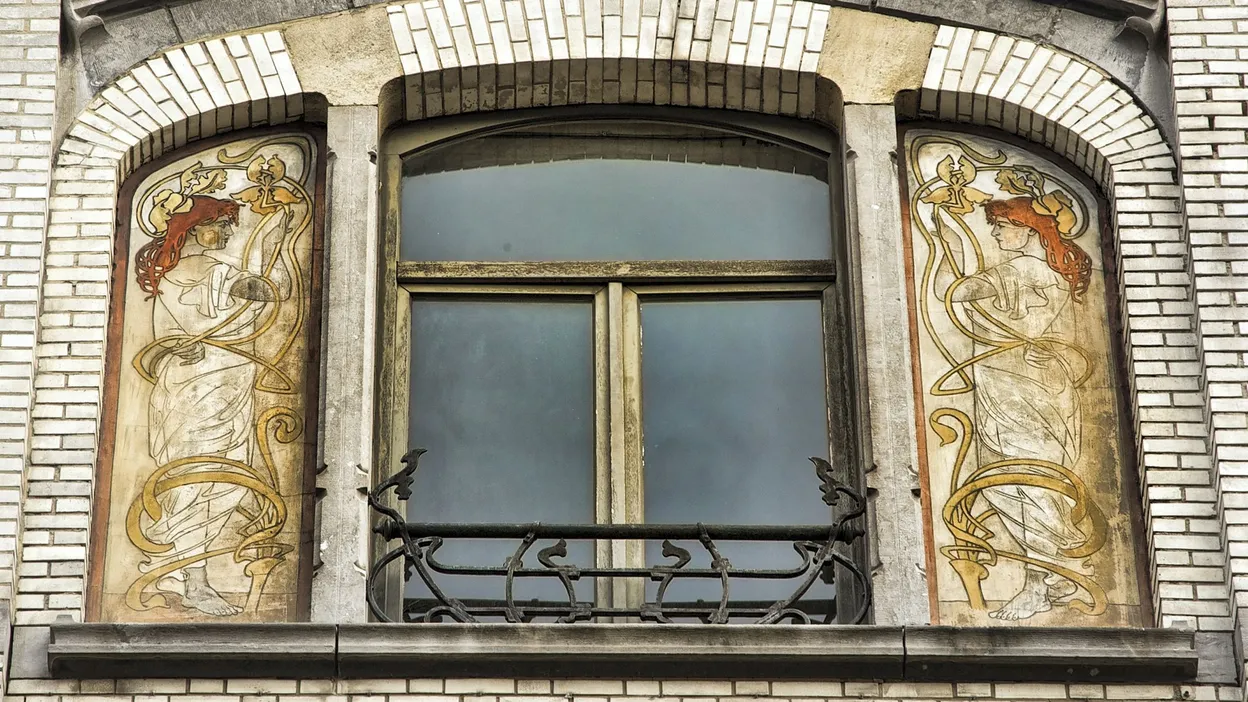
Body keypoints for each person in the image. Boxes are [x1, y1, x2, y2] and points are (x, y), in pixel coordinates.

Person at [936, 195, 1094, 621]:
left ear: (1027, 229)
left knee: (1022, 483)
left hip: (1021, 396)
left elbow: (955, 291)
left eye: (1001, 225)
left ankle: (1042, 582)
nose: (995, 232)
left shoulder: (1025, 269)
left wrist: (946, 232)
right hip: (1020, 390)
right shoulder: (1047, 274)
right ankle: (1048, 577)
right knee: (1014, 483)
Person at [133, 191, 290, 616]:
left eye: (228, 226)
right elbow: (259, 290)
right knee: (199, 479)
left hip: (230, 386)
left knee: (222, 481)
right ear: (194, 228)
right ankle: (192, 578)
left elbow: (265, 293)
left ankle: (189, 574)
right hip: (196, 394)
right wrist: (274, 238)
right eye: (220, 225)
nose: (225, 232)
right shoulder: (192, 269)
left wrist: (278, 236)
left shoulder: (212, 269)